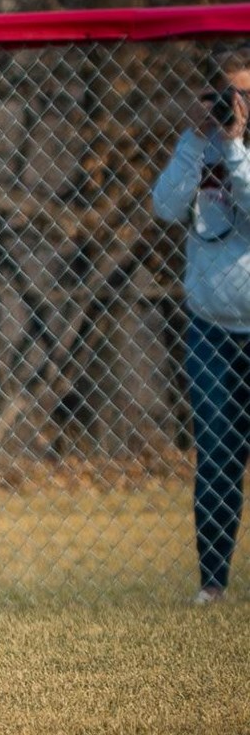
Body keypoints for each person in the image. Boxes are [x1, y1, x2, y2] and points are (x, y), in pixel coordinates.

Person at [152, 45, 250, 606]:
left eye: (245, 95)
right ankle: (212, 583)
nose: (234, 106)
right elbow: (165, 206)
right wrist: (195, 139)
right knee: (215, 455)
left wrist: (235, 149)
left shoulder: (236, 148)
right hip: (210, 329)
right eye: (225, 95)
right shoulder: (199, 144)